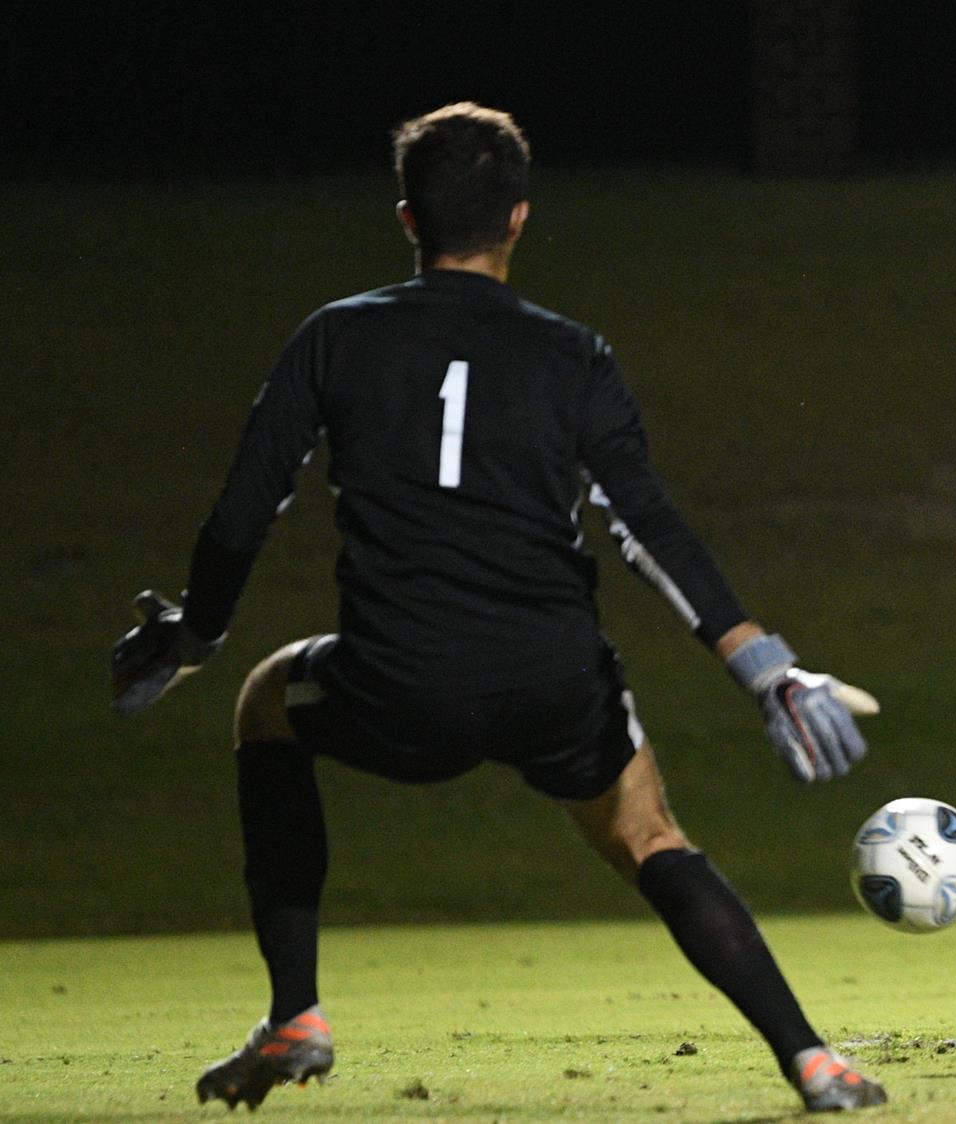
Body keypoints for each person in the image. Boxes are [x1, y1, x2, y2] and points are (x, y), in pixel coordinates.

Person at [110, 102, 886, 1113]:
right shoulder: (573, 355)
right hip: (550, 679)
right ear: (517, 218)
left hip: (395, 683)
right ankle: (812, 1060)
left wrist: (192, 639)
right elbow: (644, 522)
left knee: (264, 696)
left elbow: (241, 515)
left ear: (405, 219)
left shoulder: (333, 338)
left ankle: (297, 1012)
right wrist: (761, 664)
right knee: (650, 837)